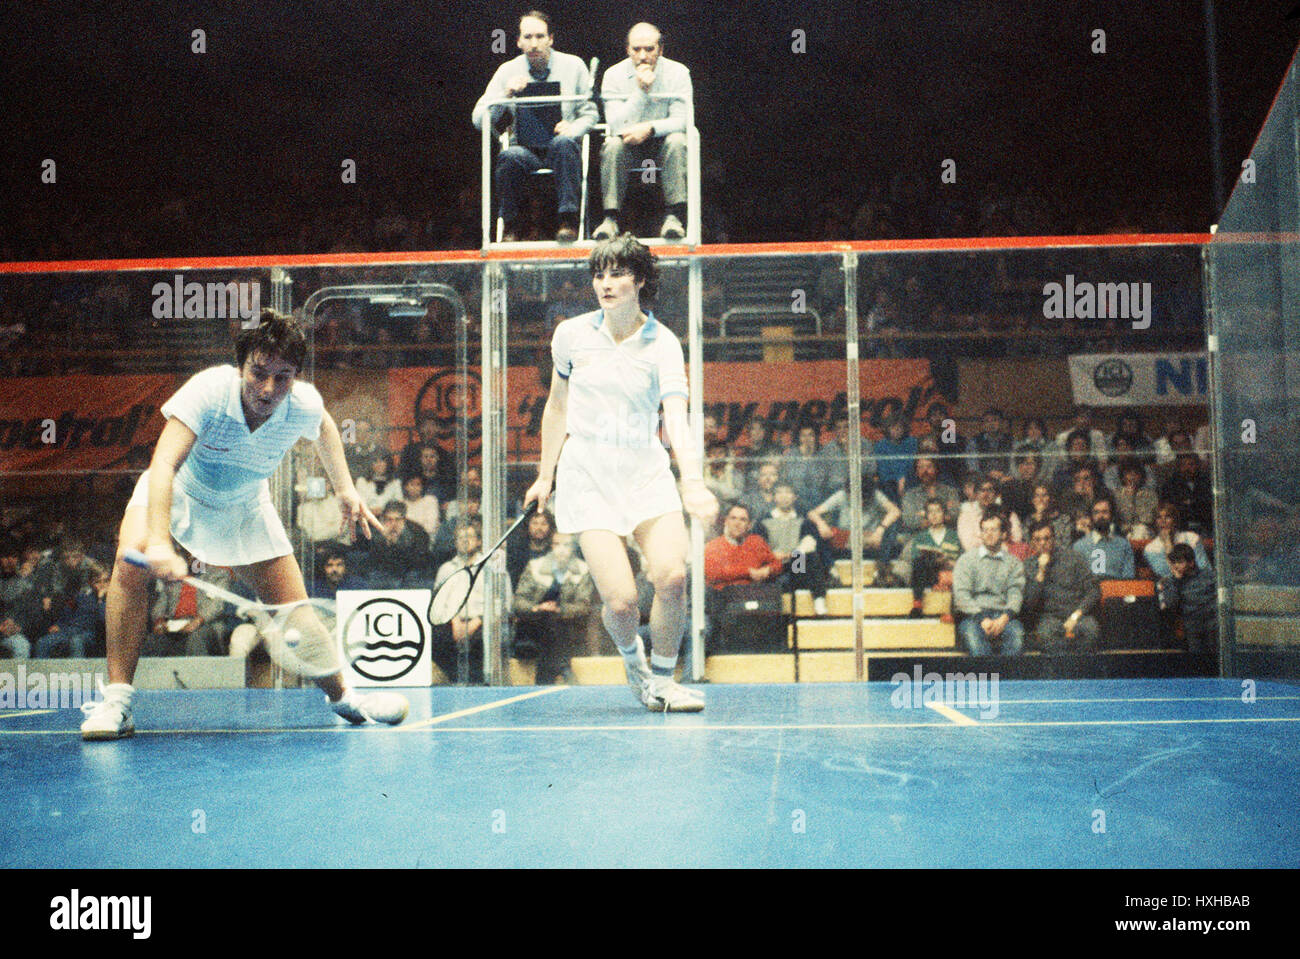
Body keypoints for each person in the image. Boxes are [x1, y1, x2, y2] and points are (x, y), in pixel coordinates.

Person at [79, 310, 407, 740]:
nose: (269, 388)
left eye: (283, 377)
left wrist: (345, 489)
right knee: (128, 562)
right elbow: (162, 464)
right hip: (179, 491)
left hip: (244, 507)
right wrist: (159, 542)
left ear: (295, 377)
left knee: (295, 611)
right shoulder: (209, 391)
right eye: (259, 373)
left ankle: (346, 697)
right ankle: (117, 703)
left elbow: (325, 426)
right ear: (241, 365)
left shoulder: (301, 402)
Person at [524, 234, 718, 711]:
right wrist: (544, 476)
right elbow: (557, 407)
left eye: (617, 274)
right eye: (599, 274)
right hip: (586, 475)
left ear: (641, 280)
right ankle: (636, 665)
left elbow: (676, 417)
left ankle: (666, 682)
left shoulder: (664, 344)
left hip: (645, 470)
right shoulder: (570, 335)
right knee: (621, 603)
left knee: (672, 577)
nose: (606, 284)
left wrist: (691, 481)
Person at [472, 10, 599, 242]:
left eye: (540, 36)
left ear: (551, 38)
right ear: (519, 41)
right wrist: (504, 94)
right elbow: (479, 119)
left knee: (564, 143)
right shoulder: (507, 70)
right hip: (525, 150)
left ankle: (568, 221)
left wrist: (574, 128)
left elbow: (590, 113)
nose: (534, 44)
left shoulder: (574, 65)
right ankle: (511, 225)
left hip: (561, 145)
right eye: (528, 37)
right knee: (509, 156)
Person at [594, 22, 692, 241]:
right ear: (628, 50)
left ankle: (674, 217)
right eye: (637, 49)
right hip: (628, 142)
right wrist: (640, 92)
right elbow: (615, 124)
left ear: (661, 50)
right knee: (612, 145)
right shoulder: (613, 75)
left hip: (663, 142)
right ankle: (610, 219)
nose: (643, 56)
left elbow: (682, 119)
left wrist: (650, 128)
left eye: (649, 49)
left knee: (678, 140)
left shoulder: (678, 72)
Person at [512, 530, 597, 683]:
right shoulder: (535, 567)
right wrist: (538, 608)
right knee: (549, 622)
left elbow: (584, 606)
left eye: (566, 545)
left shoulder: (583, 569)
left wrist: (560, 610)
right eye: (557, 544)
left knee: (555, 624)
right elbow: (519, 602)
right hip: (535, 623)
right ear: (551, 546)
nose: (561, 549)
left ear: (573, 548)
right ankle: (562, 668)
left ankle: (545, 677)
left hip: (569, 626)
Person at [951, 514, 1026, 656]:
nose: (988, 534)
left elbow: (1016, 594)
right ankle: (989, 677)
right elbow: (961, 596)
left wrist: (1003, 619)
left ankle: (1006, 677)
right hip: (973, 616)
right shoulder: (966, 560)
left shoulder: (1014, 563)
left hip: (1004, 616)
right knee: (974, 640)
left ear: (1004, 534)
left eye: (994, 530)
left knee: (1017, 635)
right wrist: (982, 618)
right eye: (984, 530)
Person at [1022, 520, 1100, 653]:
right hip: (1050, 617)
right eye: (1037, 539)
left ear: (1054, 539)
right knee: (1045, 635)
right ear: (1032, 543)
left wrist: (1075, 616)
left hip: (1077, 613)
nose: (1042, 543)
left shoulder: (1074, 557)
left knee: (1091, 630)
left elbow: (1094, 591)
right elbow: (1029, 604)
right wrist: (1040, 572)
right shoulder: (1028, 565)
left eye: (1047, 538)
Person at [1157, 542, 1217, 653]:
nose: (1175, 566)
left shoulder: (1208, 576)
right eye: (1173, 562)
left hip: (1211, 622)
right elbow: (1171, 604)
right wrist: (1176, 581)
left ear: (1191, 563)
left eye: (1180, 562)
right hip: (1191, 624)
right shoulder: (1170, 582)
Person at [1144, 502, 1211, 580]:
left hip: (1197, 583)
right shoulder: (1151, 549)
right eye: (1159, 518)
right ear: (1155, 522)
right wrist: (1167, 545)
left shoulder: (1192, 538)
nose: (1163, 521)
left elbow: (1204, 568)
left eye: (1168, 517)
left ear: (1175, 520)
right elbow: (1167, 574)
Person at [1072, 497, 1135, 579]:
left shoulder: (1124, 545)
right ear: (1091, 517)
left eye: (1105, 512)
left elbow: (1128, 578)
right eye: (1096, 512)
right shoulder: (1079, 546)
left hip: (1116, 589)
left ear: (1111, 515)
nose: (1100, 516)